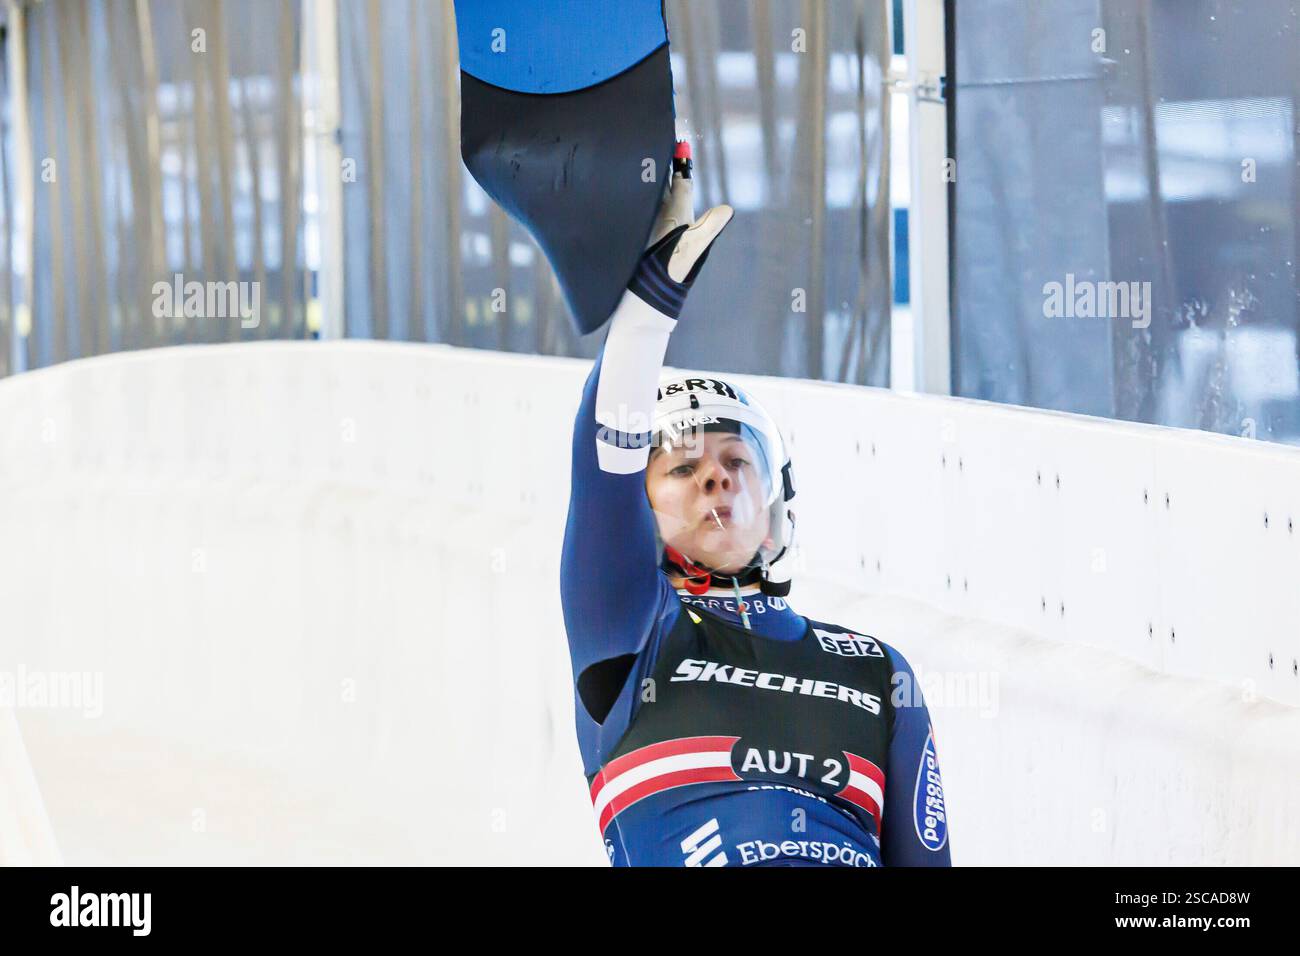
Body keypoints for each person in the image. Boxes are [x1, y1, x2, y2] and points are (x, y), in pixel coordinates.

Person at [560, 146, 951, 867]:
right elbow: (601, 460)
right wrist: (645, 312)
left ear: (775, 507)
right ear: (637, 514)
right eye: (683, 467)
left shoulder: (875, 672)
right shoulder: (628, 634)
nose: (717, 480)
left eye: (737, 462)